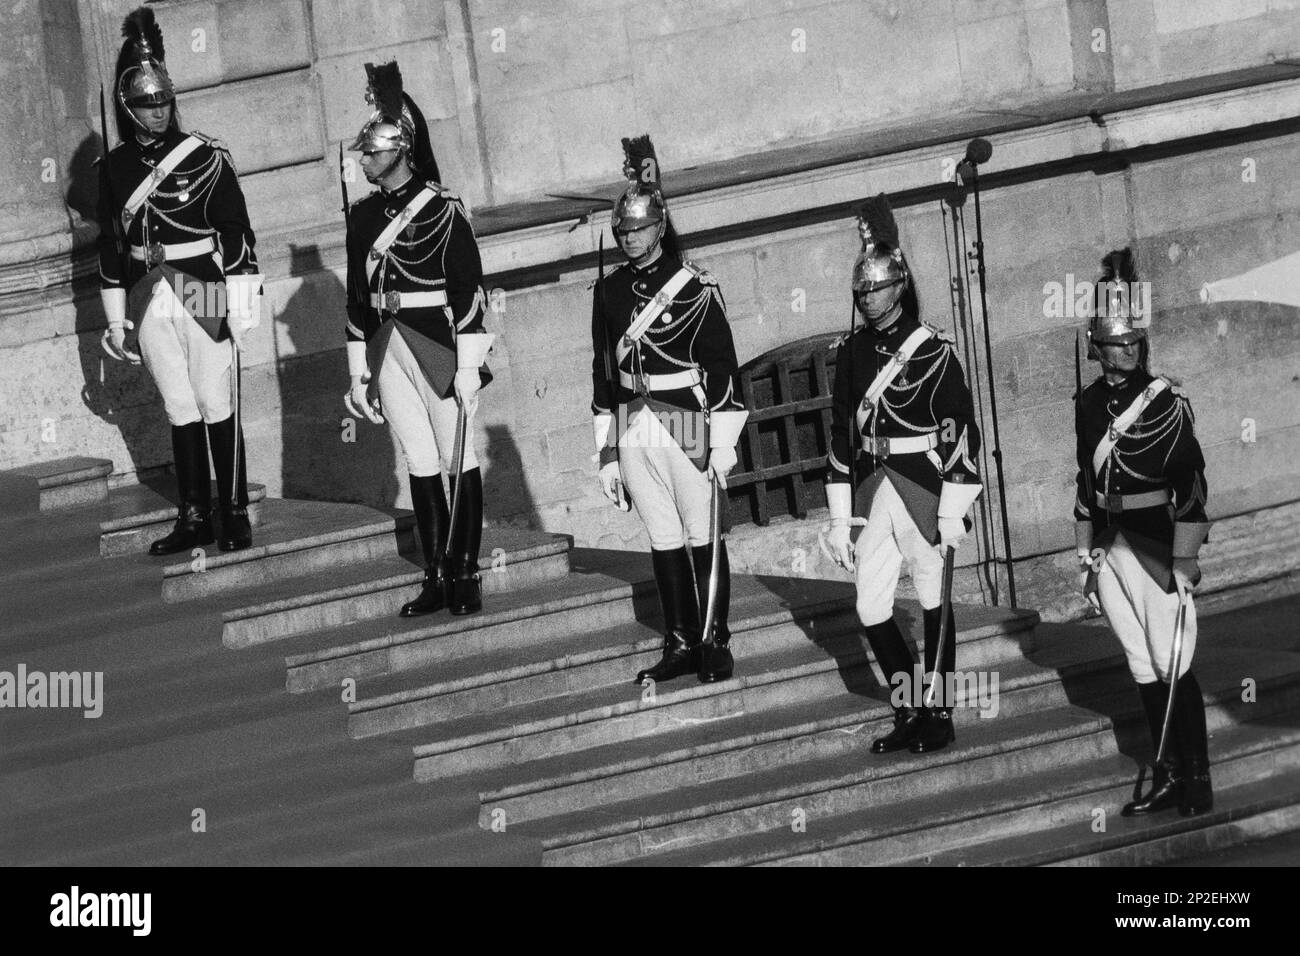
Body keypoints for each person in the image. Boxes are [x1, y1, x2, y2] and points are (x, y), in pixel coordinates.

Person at [98, 6, 262, 554]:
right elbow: (111, 247)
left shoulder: (207, 157)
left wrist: (242, 302)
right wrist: (115, 317)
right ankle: (193, 515)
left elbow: (237, 232)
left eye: (164, 100)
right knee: (179, 405)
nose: (159, 111)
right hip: (147, 292)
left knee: (217, 400)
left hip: (201, 280)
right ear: (129, 107)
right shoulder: (115, 168)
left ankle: (233, 510)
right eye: (147, 103)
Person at [823, 195, 983, 755]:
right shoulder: (851, 353)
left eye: (877, 289)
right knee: (871, 606)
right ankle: (908, 706)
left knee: (934, 598)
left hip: (922, 484)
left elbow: (961, 428)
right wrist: (841, 517)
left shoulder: (933, 351)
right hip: (871, 487)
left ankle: (939, 713)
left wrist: (956, 503)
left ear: (899, 286)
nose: (868, 299)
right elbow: (842, 434)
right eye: (861, 292)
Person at [590, 135, 748, 685]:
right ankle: (680, 640)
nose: (630, 239)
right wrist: (607, 452)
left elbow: (724, 369)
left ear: (660, 226)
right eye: (623, 231)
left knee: (702, 534)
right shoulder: (607, 292)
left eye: (639, 228)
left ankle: (715, 639)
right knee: (662, 537)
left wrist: (724, 441)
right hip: (634, 420)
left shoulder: (694, 287)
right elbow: (603, 373)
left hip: (684, 415)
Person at [342, 62, 493, 617]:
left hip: (436, 344)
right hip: (386, 345)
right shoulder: (360, 219)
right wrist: (359, 371)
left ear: (400, 150)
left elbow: (470, 293)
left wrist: (471, 363)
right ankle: (435, 573)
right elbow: (357, 299)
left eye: (371, 152)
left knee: (459, 460)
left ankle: (467, 571)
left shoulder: (445, 211)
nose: (362, 161)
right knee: (420, 460)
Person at [1074, 248, 1212, 817]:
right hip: (1110, 548)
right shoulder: (1085, 404)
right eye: (1117, 342)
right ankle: (1168, 772)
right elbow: (1086, 480)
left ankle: (1198, 779)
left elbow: (1195, 490)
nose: (1128, 350)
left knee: (1173, 661)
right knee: (1140, 662)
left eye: (1135, 341)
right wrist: (1085, 554)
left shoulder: (1165, 405)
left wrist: (1183, 560)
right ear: (1096, 346)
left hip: (1157, 546)